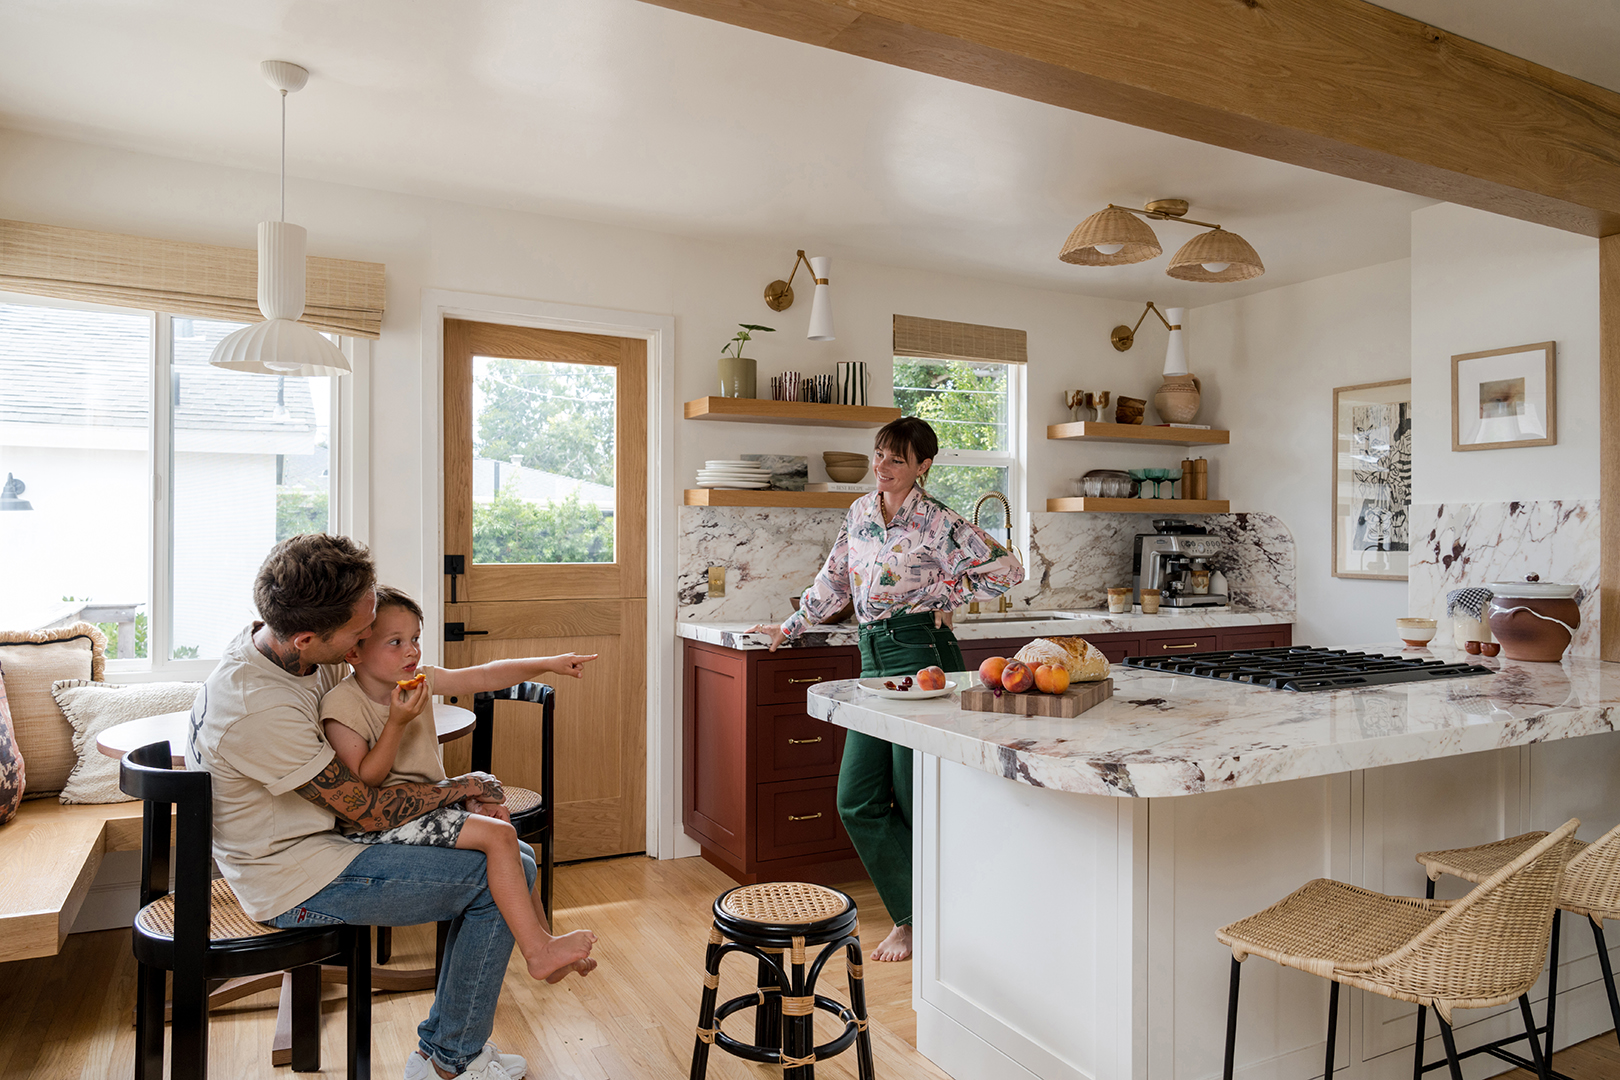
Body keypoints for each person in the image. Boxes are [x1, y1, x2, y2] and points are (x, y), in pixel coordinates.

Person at [187, 534, 535, 1080]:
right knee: (508, 869)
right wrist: (468, 784)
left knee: (513, 858)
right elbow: (369, 810)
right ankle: (449, 1061)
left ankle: (446, 1050)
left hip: (326, 843)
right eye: (360, 633)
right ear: (309, 638)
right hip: (291, 879)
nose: (368, 637)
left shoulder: (284, 647)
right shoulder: (257, 706)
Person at [754, 417, 1023, 961]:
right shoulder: (859, 512)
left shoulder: (939, 521)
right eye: (878, 455)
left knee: (915, 795)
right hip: (872, 654)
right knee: (858, 800)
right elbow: (833, 578)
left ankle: (918, 919)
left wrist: (948, 588)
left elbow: (1008, 569)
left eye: (896, 459)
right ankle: (927, 911)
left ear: (923, 466)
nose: (882, 466)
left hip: (922, 656)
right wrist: (789, 627)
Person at [321, 585, 597, 985]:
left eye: (415, 639)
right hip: (379, 826)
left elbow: (485, 674)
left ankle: (547, 946)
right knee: (500, 836)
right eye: (395, 642)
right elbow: (366, 780)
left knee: (521, 853)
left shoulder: (419, 680)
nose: (411, 651)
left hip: (424, 809)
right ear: (354, 652)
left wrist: (549, 662)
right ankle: (538, 952)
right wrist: (396, 723)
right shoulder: (342, 705)